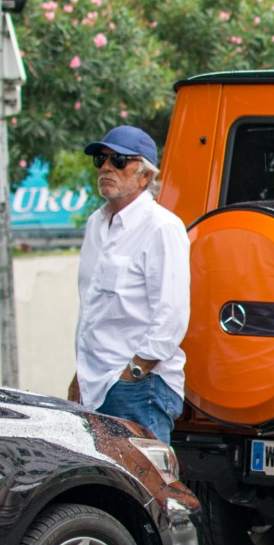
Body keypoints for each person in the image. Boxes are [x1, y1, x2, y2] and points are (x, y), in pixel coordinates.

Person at [71, 125, 190, 446]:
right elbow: (93, 308)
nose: (107, 167)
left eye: (119, 160)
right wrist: (81, 376)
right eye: (101, 159)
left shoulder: (161, 226)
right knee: (107, 491)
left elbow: (172, 314)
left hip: (138, 388)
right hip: (95, 386)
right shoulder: (97, 224)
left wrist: (133, 373)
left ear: (145, 176)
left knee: (149, 492)